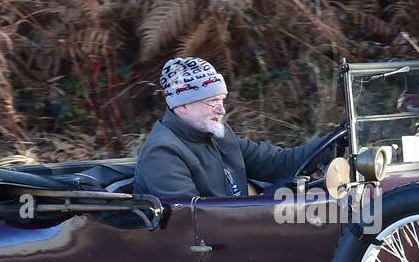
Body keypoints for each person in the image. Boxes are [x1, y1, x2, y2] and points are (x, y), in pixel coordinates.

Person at [133, 57, 340, 199]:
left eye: (222, 100)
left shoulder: (215, 134)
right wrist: (276, 196)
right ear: (183, 105)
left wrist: (333, 143)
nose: (221, 109)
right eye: (212, 101)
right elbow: (193, 219)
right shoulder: (162, 153)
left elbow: (277, 162)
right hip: (201, 256)